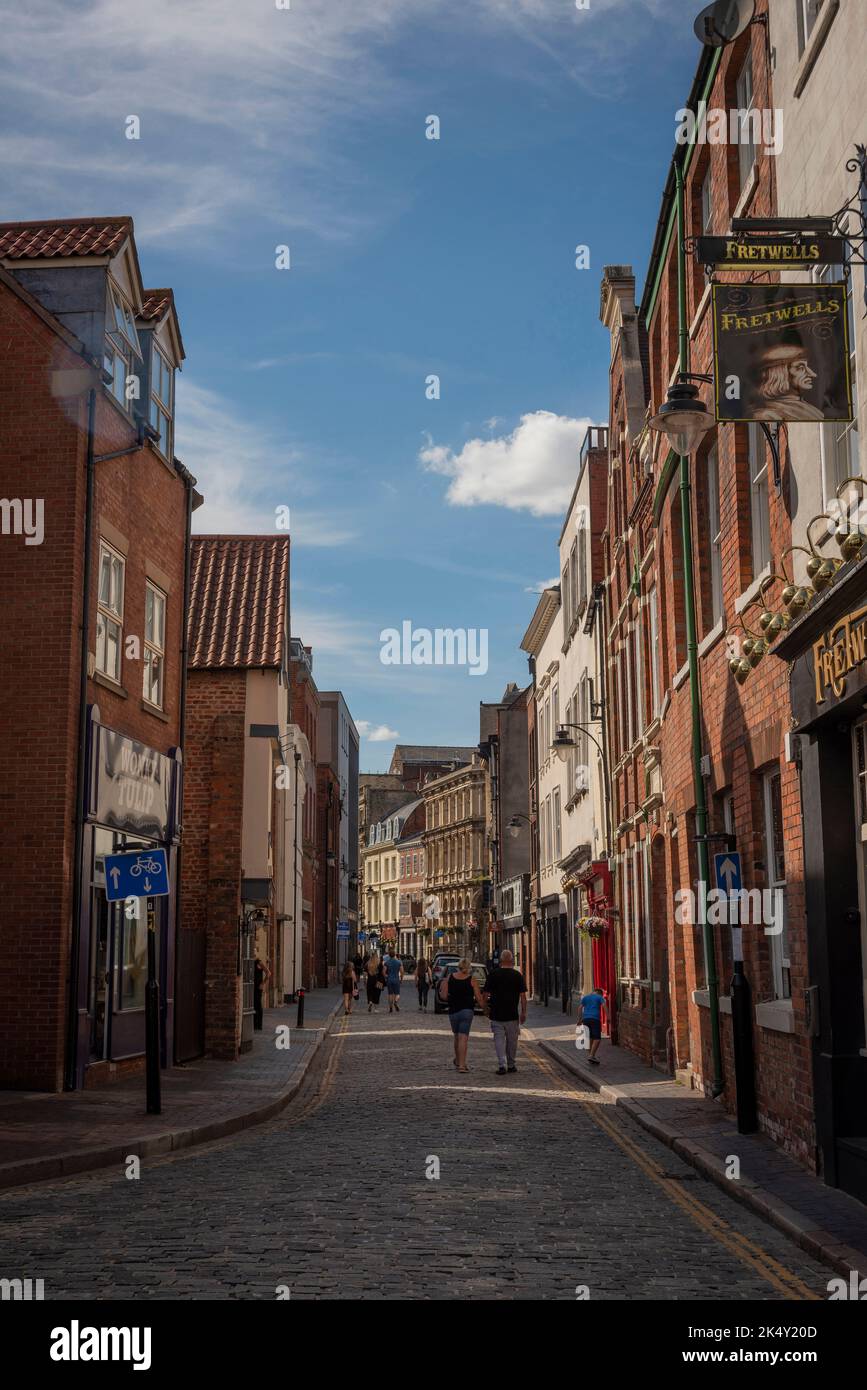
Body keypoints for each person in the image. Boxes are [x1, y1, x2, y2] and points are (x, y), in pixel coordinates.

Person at [483, 948, 527, 1075]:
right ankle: (511, 1064)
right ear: (512, 960)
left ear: (501, 960)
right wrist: (523, 1012)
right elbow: (523, 997)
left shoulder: (493, 974)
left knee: (499, 1040)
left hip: (496, 1014)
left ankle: (502, 1065)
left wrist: (485, 1008)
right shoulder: (517, 975)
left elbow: (485, 994)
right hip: (512, 1014)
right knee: (512, 1041)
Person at [439, 959, 485, 1073]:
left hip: (453, 1011)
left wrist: (443, 993)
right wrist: (486, 1009)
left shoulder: (449, 978)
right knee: (463, 1037)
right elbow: (479, 998)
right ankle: (462, 1066)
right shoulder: (472, 980)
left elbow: (444, 996)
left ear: (458, 967)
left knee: (456, 1036)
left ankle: (459, 1061)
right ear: (469, 968)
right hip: (467, 1011)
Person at [578, 987, 606, 1064]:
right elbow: (604, 1006)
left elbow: (580, 1008)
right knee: (597, 1039)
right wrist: (608, 1016)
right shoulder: (600, 997)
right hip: (595, 1019)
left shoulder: (585, 997)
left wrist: (580, 1019)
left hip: (586, 1019)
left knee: (589, 1038)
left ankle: (591, 1056)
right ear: (599, 993)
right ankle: (591, 1056)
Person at [253, 955, 270, 1032]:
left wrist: (263, 983)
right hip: (252, 986)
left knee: (258, 1005)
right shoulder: (251, 962)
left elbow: (268, 973)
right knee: (253, 1004)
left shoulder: (259, 962)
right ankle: (254, 1024)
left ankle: (259, 1025)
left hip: (258, 987)